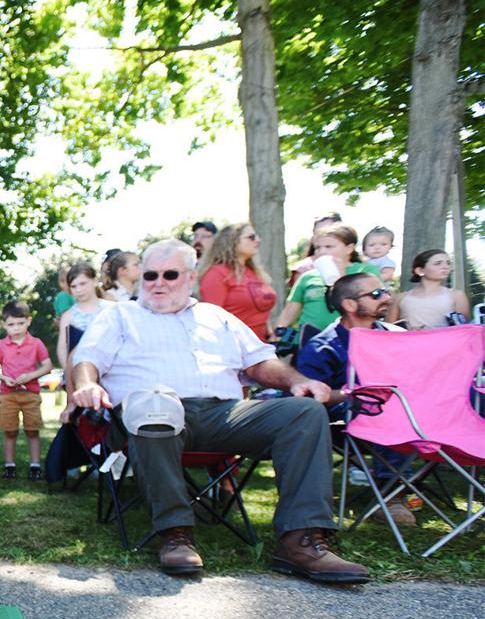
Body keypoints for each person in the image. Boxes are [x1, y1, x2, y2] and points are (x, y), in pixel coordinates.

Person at [69, 239, 370, 584]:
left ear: (191, 277)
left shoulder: (216, 316)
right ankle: (175, 533)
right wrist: (87, 384)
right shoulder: (120, 315)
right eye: (150, 275)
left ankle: (300, 541)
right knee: (155, 406)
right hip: (149, 414)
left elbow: (260, 362)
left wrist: (297, 381)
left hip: (223, 413)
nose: (158, 283)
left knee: (304, 413)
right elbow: (87, 359)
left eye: (170, 274)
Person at [294, 273, 413, 526]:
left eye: (386, 291)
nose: (387, 297)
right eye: (377, 294)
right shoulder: (323, 346)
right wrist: (355, 393)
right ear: (350, 305)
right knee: (385, 408)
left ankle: (395, 488)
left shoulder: (396, 337)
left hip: (406, 406)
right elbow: (306, 397)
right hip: (345, 414)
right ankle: (392, 496)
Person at [276, 224, 380, 335]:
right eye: (318, 248)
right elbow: (288, 314)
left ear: (349, 248)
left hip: (351, 339)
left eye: (329, 247)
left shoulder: (365, 272)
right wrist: (277, 334)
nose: (322, 252)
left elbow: (375, 304)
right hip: (309, 341)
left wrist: (340, 277)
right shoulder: (307, 277)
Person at [0, 301, 51, 481]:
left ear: (28, 321)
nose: (16, 328)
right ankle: (9, 466)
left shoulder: (36, 343)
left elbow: (47, 365)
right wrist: (3, 378)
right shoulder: (1, 345)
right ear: (4, 325)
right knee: (10, 431)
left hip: (31, 394)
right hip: (8, 394)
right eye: (11, 324)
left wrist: (31, 375)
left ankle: (35, 465)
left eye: (20, 323)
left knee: (32, 430)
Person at [198, 223, 277, 341]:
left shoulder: (254, 272)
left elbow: (259, 311)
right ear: (232, 241)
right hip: (234, 350)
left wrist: (270, 334)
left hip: (262, 348)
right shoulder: (216, 274)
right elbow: (211, 322)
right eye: (251, 237)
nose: (258, 240)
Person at [56, 262, 115, 420]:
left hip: (110, 372)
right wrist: (70, 372)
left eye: (83, 283)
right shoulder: (69, 315)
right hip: (77, 376)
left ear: (94, 281)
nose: (78, 289)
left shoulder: (112, 309)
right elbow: (63, 347)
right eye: (74, 286)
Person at [390, 249, 470, 330]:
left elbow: (463, 330)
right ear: (420, 270)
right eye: (438, 263)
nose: (445, 267)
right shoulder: (401, 298)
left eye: (448, 263)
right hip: (410, 341)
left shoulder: (457, 295)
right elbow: (388, 329)